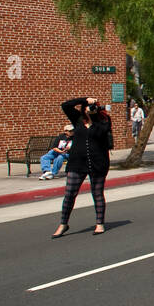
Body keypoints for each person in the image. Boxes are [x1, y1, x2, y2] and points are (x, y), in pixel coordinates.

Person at [52, 98, 112, 237]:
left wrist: (94, 117)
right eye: (88, 107)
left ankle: (99, 223)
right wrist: (84, 99)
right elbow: (65, 105)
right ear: (83, 108)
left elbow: (100, 133)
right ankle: (63, 223)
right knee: (69, 194)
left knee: (97, 194)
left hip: (98, 163)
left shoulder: (104, 120)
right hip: (77, 163)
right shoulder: (77, 120)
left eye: (93, 106)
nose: (90, 108)